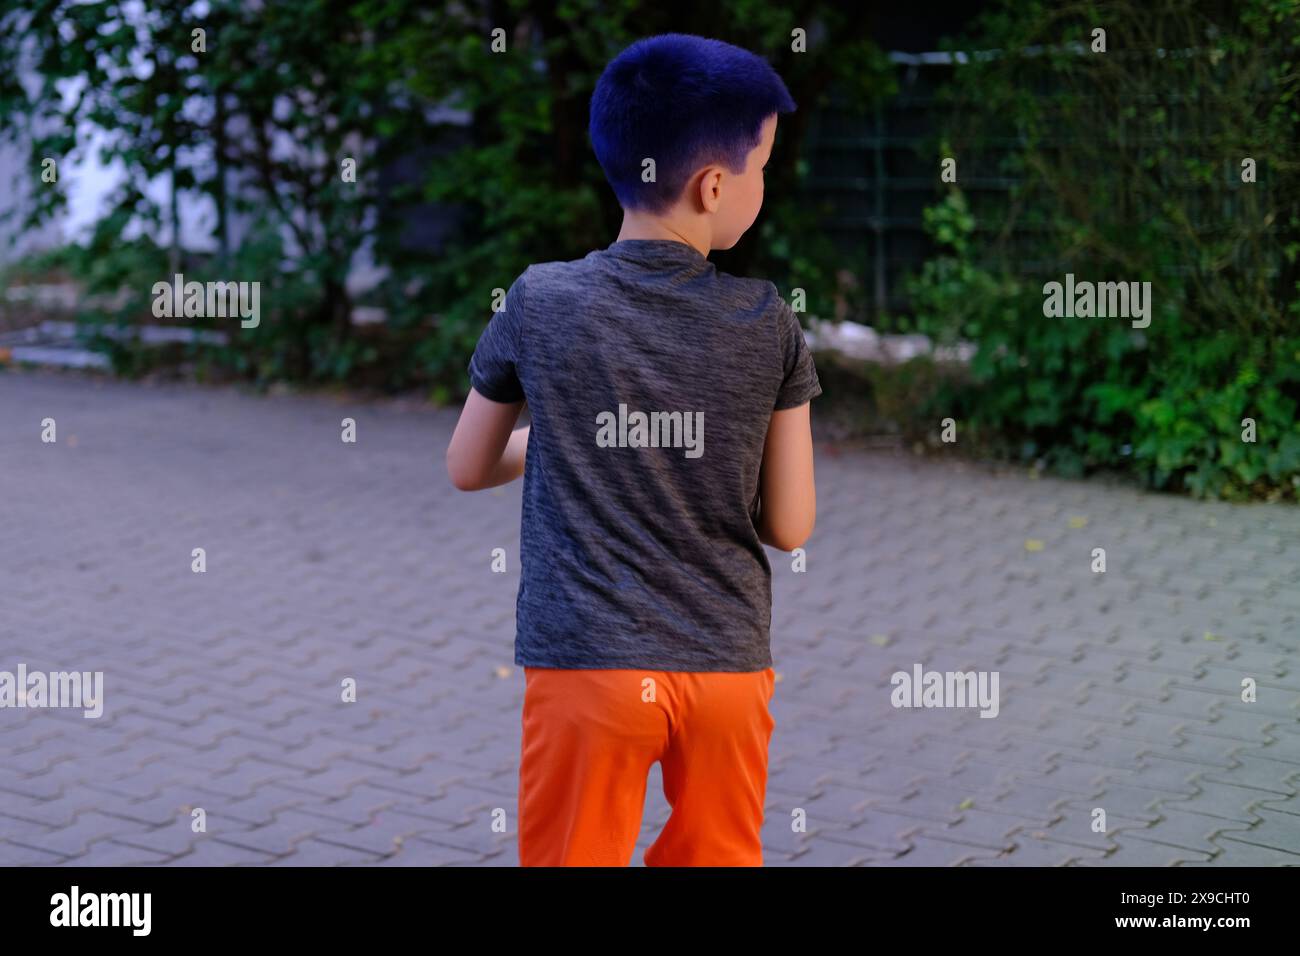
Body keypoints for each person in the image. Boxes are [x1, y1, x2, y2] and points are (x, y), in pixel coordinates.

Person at [445, 33, 820, 866]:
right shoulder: (769, 322)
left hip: (586, 671)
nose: (761, 185)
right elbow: (790, 526)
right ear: (714, 185)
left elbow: (468, 466)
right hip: (726, 673)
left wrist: (552, 435)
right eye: (761, 167)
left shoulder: (539, 299)